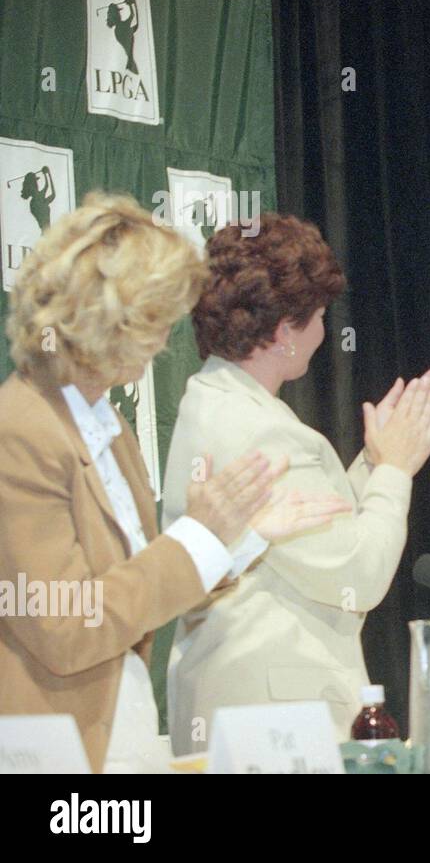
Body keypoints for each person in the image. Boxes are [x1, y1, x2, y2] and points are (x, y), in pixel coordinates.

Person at [0, 193, 341, 772]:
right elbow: (65, 626)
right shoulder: (20, 431)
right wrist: (203, 539)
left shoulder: (109, 427)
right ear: (107, 319)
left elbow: (140, 588)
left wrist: (240, 537)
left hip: (123, 740)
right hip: (54, 757)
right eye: (154, 318)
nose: (163, 341)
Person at [162, 212, 430, 752]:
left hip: (245, 709)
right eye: (319, 316)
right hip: (274, 724)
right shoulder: (257, 428)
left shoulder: (220, 404)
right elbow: (358, 573)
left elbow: (317, 540)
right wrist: (395, 469)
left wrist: (373, 461)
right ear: (282, 334)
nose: (324, 332)